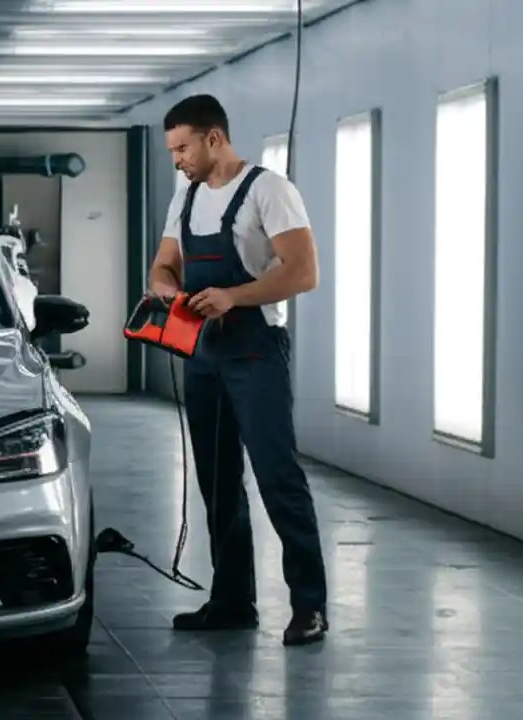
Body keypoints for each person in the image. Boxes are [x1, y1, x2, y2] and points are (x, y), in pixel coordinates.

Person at [147, 93, 328, 646]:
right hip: (204, 352)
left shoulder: (269, 190)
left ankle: (309, 607)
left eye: (182, 148)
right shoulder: (187, 194)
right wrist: (165, 291)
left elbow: (303, 273)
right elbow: (164, 264)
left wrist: (233, 296)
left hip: (255, 350)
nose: (176, 159)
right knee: (218, 481)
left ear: (214, 138)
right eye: (172, 150)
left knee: (277, 476)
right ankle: (231, 600)